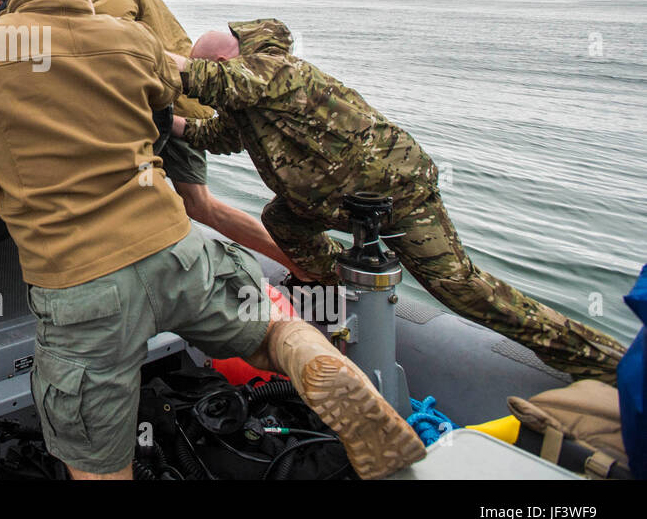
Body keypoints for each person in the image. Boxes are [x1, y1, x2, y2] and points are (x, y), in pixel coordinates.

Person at [0, 0, 425, 480]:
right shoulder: (132, 39)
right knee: (275, 333)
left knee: (96, 464)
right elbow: (165, 93)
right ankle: (330, 376)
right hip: (178, 249)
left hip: (84, 285)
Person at [171, 19, 627, 382]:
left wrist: (123, 54)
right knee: (282, 220)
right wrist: (166, 122)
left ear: (234, 58)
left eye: (214, 64)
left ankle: (600, 361)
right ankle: (337, 290)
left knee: (463, 290)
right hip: (337, 203)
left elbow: (207, 79)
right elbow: (216, 134)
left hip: (397, 195)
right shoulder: (248, 101)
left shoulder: (279, 71)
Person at [80, 0, 298, 275]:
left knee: (191, 204)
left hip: (165, 106)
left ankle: (295, 264)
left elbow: (114, 40)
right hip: (183, 102)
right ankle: (298, 264)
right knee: (197, 204)